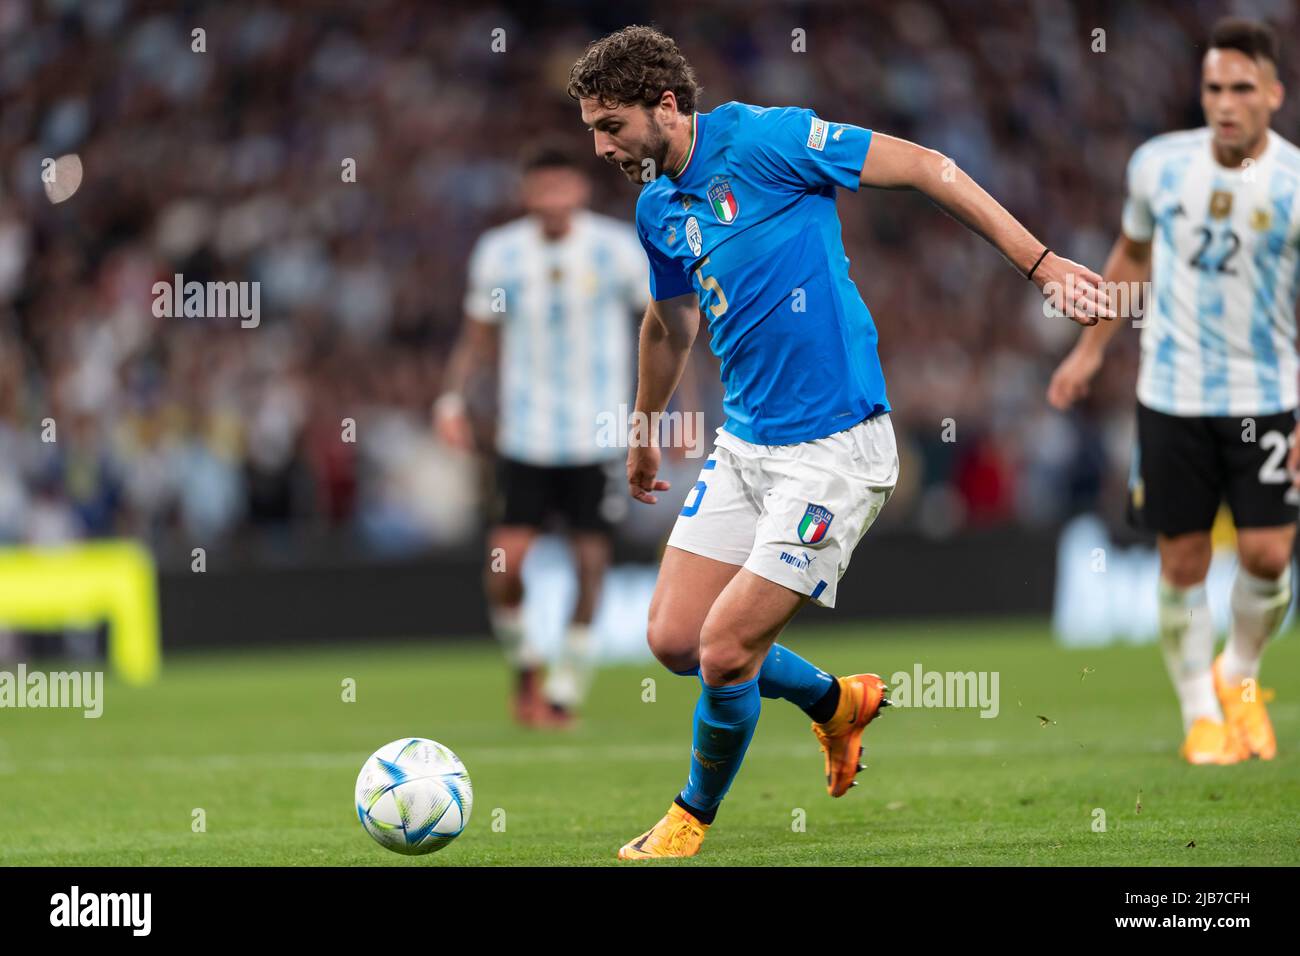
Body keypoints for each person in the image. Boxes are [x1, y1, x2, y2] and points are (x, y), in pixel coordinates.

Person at [568, 24, 1110, 858]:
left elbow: (929, 167)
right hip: (746, 447)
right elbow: (668, 324)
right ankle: (835, 702)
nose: (601, 147)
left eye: (611, 126)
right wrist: (646, 431)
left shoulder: (770, 140)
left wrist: (1040, 265)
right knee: (674, 640)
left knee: (722, 650)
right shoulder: (655, 206)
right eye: (593, 130)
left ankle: (691, 816)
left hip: (834, 451)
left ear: (666, 106)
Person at [1048, 17, 1298, 765]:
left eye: (1241, 89)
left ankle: (1241, 680)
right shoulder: (1158, 165)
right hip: (1172, 394)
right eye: (1213, 88)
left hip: (1266, 394)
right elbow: (1131, 253)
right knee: (1182, 563)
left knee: (1266, 558)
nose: (1224, 103)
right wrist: (1092, 348)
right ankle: (1200, 715)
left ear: (1273, 95)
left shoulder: (1294, 182)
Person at [436, 145, 648, 727]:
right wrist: (452, 398)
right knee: (505, 566)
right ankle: (528, 663)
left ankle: (566, 688)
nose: (553, 200)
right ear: (527, 194)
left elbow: (662, 324)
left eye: (564, 188)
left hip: (598, 433)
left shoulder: (614, 248)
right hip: (526, 435)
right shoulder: (500, 252)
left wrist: (669, 413)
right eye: (542, 190)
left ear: (580, 191)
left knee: (589, 564)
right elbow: (477, 334)